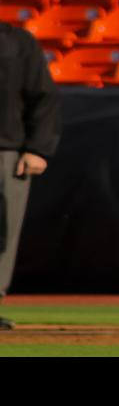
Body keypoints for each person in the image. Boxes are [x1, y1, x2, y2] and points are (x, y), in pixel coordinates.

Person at [0, 20, 60, 330]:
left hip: (6, 148)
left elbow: (43, 94)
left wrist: (38, 147)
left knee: (3, 228)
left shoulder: (18, 41)